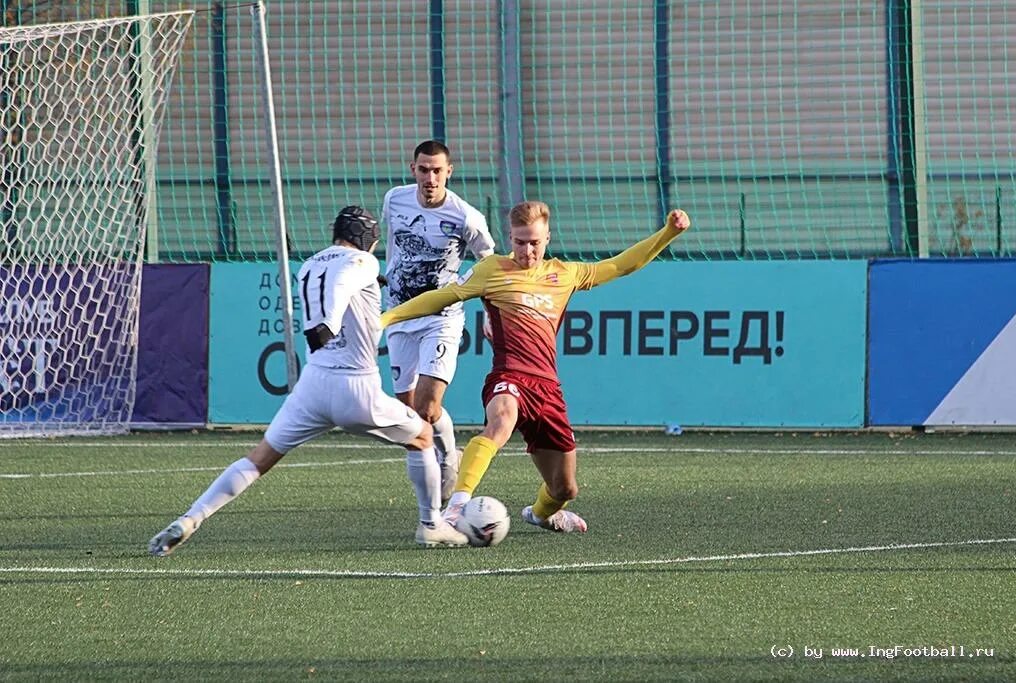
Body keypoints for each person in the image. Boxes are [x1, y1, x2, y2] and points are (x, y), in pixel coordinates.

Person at [148, 206, 468, 556]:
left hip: (313, 385)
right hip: (355, 386)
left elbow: (341, 281)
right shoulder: (362, 262)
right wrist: (328, 324)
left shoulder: (312, 263)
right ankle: (431, 524)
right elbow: (345, 282)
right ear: (365, 238)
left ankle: (192, 517)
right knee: (422, 436)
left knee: (259, 459)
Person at [381, 201, 691, 533]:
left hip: (547, 389)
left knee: (565, 489)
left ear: (547, 239)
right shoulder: (492, 271)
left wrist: (668, 233)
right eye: (519, 241)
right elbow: (443, 297)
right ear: (509, 238)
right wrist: (386, 318)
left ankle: (542, 513)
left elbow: (620, 266)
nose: (526, 250)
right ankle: (456, 507)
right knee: (500, 422)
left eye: (534, 242)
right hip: (508, 375)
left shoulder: (566, 274)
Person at [380, 140, 496, 503]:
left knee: (427, 409)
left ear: (449, 172)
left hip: (441, 317)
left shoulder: (467, 217)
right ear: (412, 169)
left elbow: (489, 264)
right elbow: (393, 246)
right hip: (399, 315)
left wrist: (492, 315)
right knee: (408, 413)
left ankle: (447, 458)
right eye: (423, 169)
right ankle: (444, 454)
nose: (430, 178)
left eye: (437, 171)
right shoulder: (394, 200)